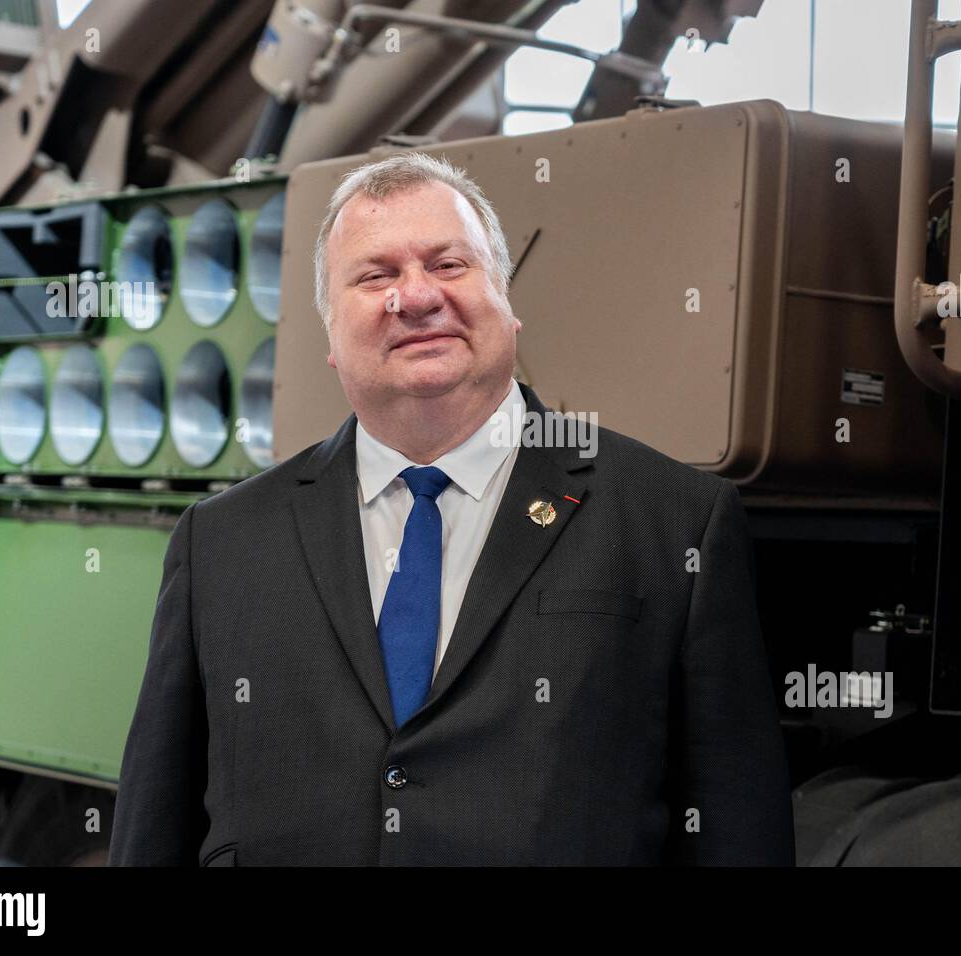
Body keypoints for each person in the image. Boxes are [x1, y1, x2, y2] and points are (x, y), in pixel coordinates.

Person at [108, 152, 792, 866]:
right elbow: (155, 822)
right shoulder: (223, 542)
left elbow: (737, 827)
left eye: (449, 264)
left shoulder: (672, 521)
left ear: (507, 299)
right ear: (330, 337)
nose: (417, 297)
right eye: (375, 275)